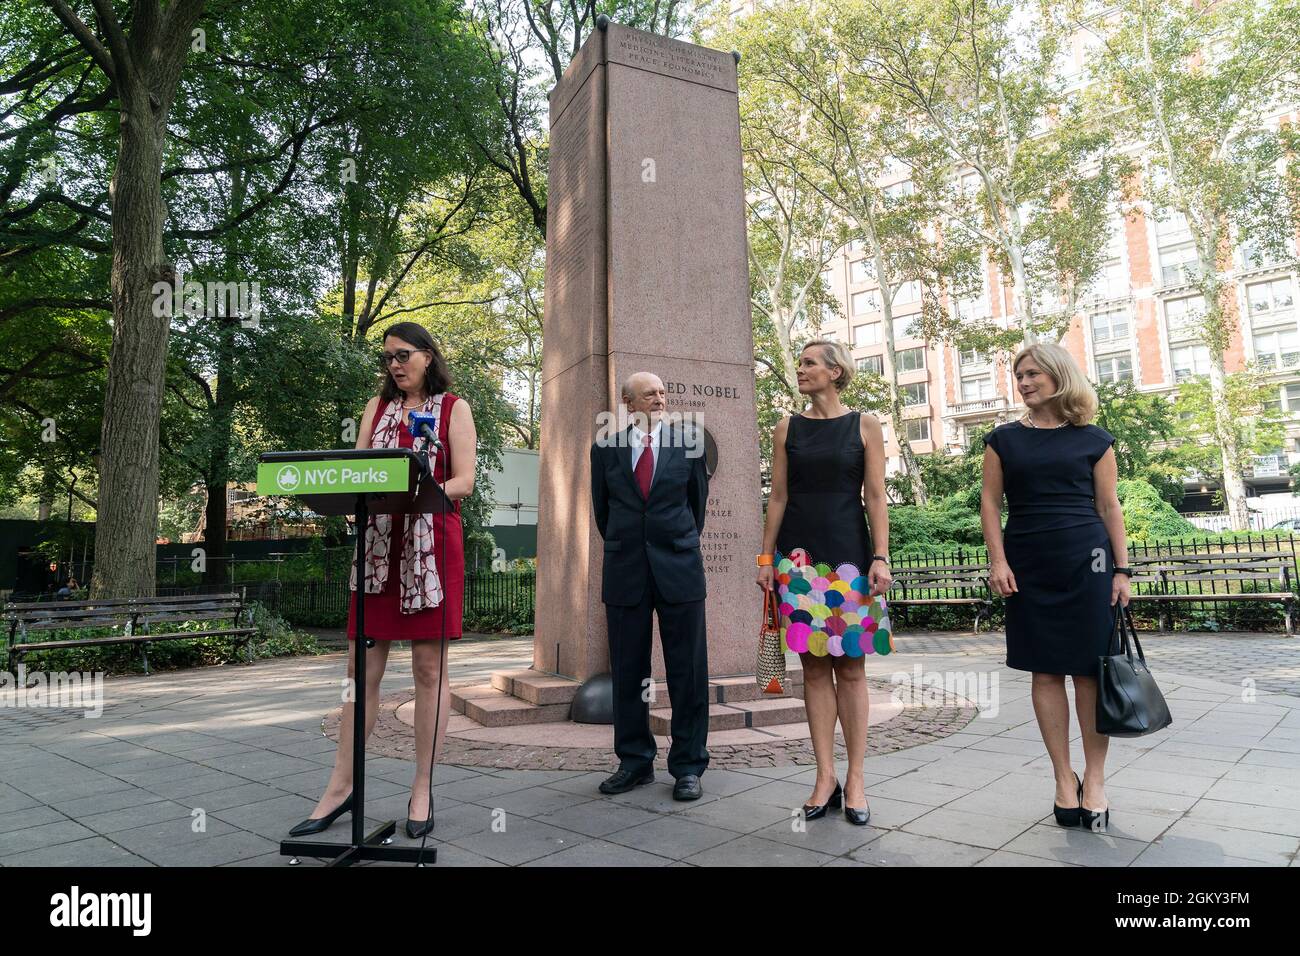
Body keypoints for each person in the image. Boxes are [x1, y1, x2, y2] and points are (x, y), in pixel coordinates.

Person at [288, 321, 476, 840]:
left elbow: (465, 479)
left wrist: (421, 487)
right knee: (359, 674)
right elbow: (355, 470)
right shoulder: (375, 410)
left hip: (429, 548)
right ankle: (340, 789)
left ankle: (422, 788)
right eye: (388, 357)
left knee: (428, 672)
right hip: (377, 550)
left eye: (403, 355)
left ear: (427, 357)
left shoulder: (453, 408)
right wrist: (352, 503)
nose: (394, 364)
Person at [980, 342, 1130, 833]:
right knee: (1044, 672)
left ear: (1058, 376)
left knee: (1089, 673)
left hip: (1086, 562)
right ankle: (1063, 780)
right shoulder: (1002, 439)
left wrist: (1122, 570)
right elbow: (989, 505)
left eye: (1032, 374)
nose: (1023, 382)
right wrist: (997, 561)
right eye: (1018, 375)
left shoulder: (1095, 439)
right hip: (1028, 563)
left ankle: (1097, 779)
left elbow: (1110, 507)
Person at [757, 340, 892, 826]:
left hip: (851, 558)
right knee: (813, 670)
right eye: (800, 364)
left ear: (836, 372)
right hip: (797, 561)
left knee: (851, 670)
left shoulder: (865, 425)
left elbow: (876, 497)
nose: (801, 370)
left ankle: (856, 779)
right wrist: (765, 558)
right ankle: (824, 777)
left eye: (810, 363)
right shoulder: (785, 428)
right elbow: (777, 498)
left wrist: (881, 556)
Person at [590, 372, 710, 801]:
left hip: (679, 568)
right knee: (628, 671)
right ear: (627, 402)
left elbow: (697, 506)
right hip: (626, 572)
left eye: (662, 392)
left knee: (688, 672)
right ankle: (635, 762)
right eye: (649, 394)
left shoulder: (689, 443)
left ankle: (689, 765)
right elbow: (603, 512)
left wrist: (672, 543)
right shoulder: (605, 448)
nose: (659, 399)